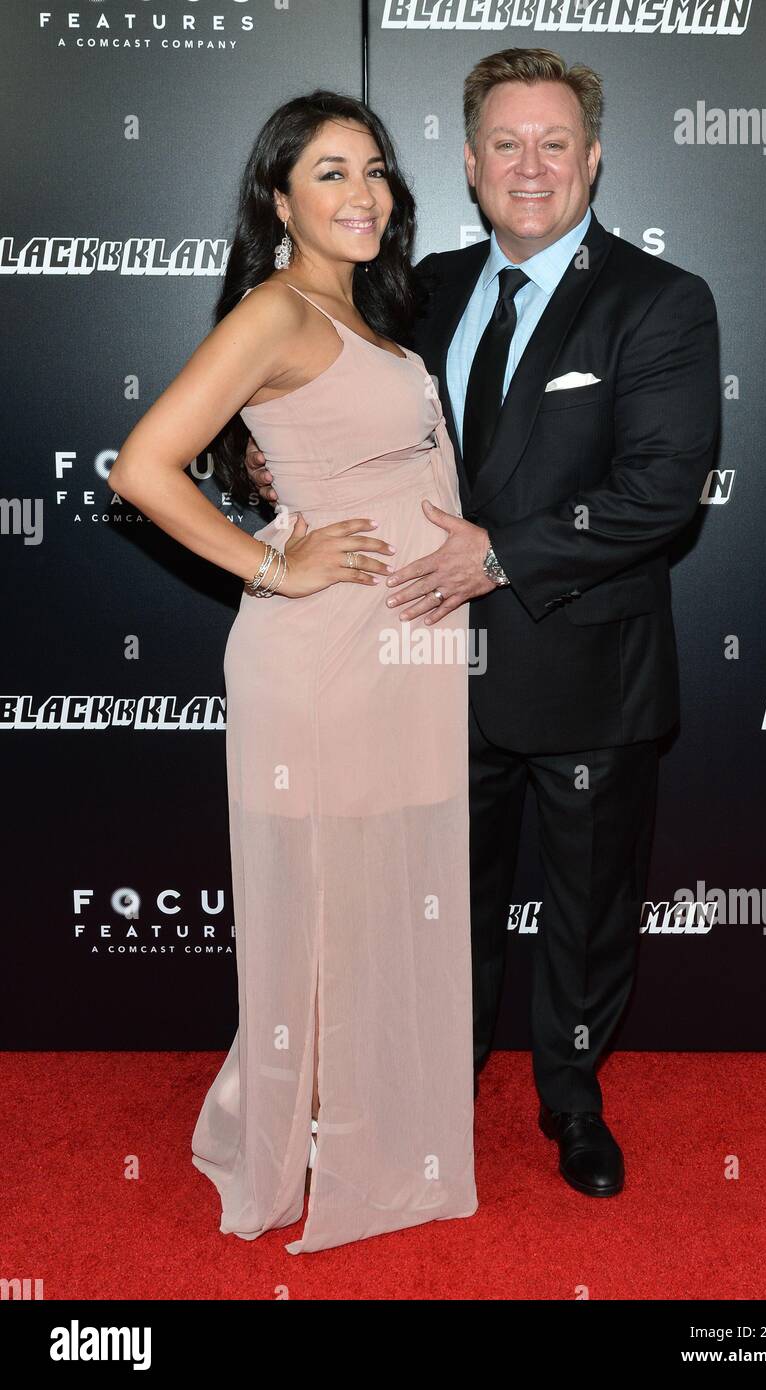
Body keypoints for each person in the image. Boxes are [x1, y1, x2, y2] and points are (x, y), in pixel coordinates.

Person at [245, 50, 721, 1201]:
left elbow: (659, 492)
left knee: (586, 908)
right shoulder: (418, 291)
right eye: (503, 143)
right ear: (465, 162)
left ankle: (570, 1101)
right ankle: (425, 1087)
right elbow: (324, 400)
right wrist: (273, 460)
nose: (528, 165)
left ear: (592, 159)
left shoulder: (659, 302)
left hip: (583, 664)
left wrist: (500, 554)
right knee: (429, 900)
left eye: (552, 142)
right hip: (421, 666)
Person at [107, 91, 478, 1254]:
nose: (362, 193)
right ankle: (306, 1138)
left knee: (377, 891)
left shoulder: (360, 311)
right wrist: (273, 566)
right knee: (328, 898)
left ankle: (361, 1128)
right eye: (328, 173)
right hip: (324, 660)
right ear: (279, 199)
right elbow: (142, 467)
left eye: (373, 170)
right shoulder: (276, 312)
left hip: (405, 651)